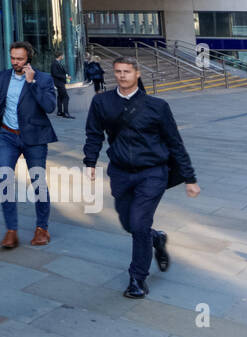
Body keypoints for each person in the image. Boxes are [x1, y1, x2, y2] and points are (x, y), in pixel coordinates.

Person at [84, 57, 201, 299]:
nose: (122, 76)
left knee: (138, 224)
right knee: (129, 224)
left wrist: (189, 178)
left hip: (152, 173)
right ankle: (156, 237)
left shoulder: (157, 106)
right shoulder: (101, 102)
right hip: (121, 173)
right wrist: (90, 163)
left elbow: (174, 143)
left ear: (137, 73)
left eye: (127, 71)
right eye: (117, 71)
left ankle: (137, 278)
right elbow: (94, 134)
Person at [0, 40, 58, 249]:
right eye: (13, 58)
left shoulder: (43, 79)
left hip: (34, 138)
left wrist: (32, 82)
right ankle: (11, 230)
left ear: (29, 59)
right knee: (5, 180)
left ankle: (42, 229)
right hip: (8, 136)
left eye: (20, 59)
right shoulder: (3, 77)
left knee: (38, 182)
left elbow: (50, 106)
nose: (15, 62)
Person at [50, 51, 72, 118]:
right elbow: (55, 74)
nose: (63, 57)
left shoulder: (58, 63)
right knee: (66, 97)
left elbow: (61, 72)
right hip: (59, 83)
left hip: (60, 82)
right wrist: (66, 77)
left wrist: (66, 75)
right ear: (60, 56)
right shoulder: (54, 63)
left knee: (60, 97)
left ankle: (59, 112)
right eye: (62, 55)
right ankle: (66, 113)